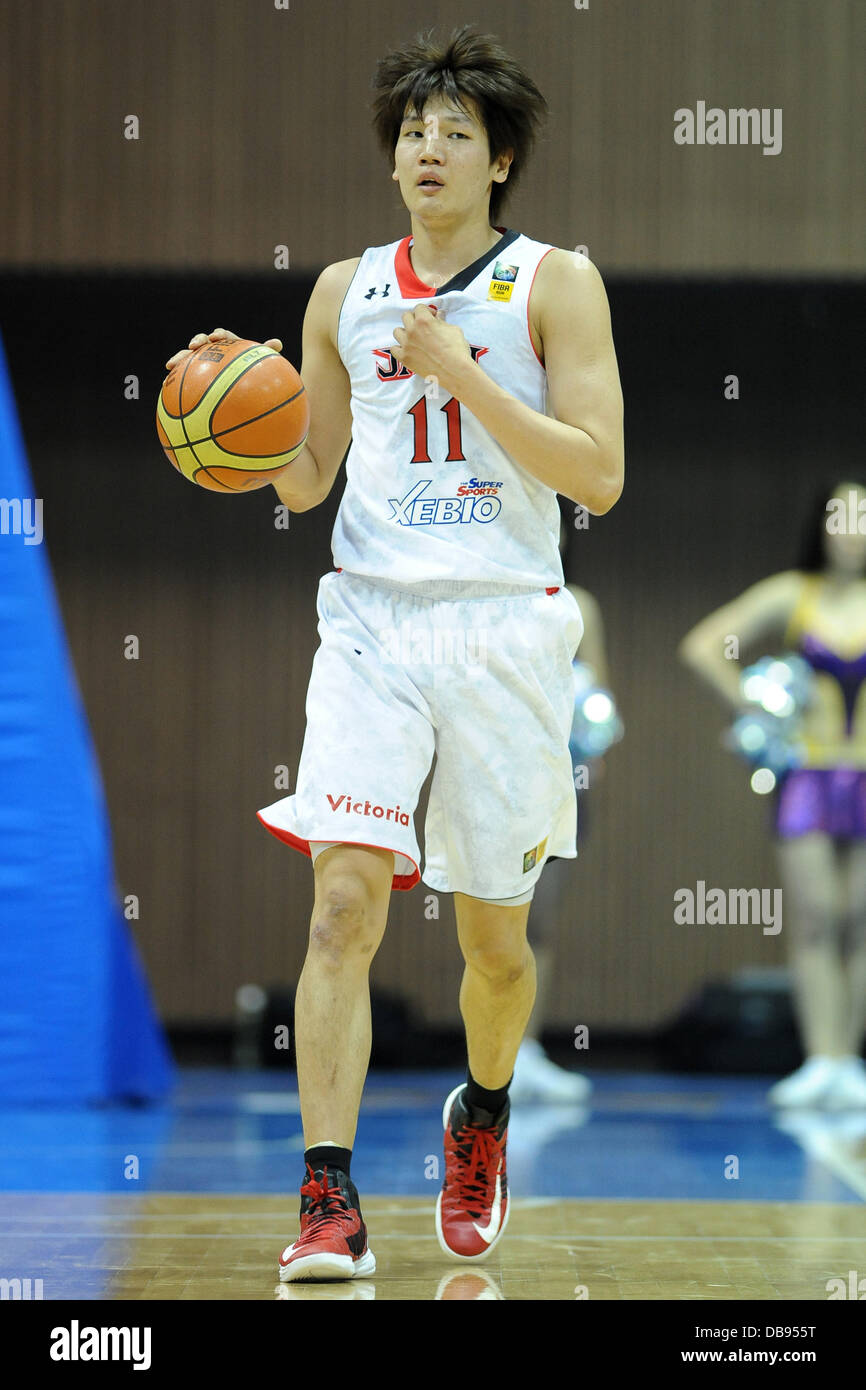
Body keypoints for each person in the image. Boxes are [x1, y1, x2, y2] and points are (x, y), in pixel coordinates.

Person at [166, 24, 623, 1280]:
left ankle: (480, 1112)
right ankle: (327, 1196)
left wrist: (465, 374)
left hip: (505, 622)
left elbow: (601, 472)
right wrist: (222, 441)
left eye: (455, 132)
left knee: (492, 948)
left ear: (500, 159)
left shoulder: (552, 282)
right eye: (414, 130)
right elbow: (307, 477)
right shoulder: (338, 291)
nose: (428, 147)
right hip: (369, 620)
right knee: (342, 908)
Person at [679, 478, 866, 1110]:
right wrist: (758, 709)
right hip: (809, 776)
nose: (852, 528)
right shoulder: (795, 594)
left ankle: (850, 1061)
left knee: (862, 919)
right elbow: (704, 646)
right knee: (818, 915)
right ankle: (821, 1059)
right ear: (821, 525)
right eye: (841, 515)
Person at [510, 510, 616, 1103]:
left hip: (559, 779)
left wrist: (589, 754)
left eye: (561, 524)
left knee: (540, 919)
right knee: (496, 917)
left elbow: (597, 691)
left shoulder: (580, 605)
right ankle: (488, 1050)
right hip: (498, 774)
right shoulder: (489, 598)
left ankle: (526, 1047)